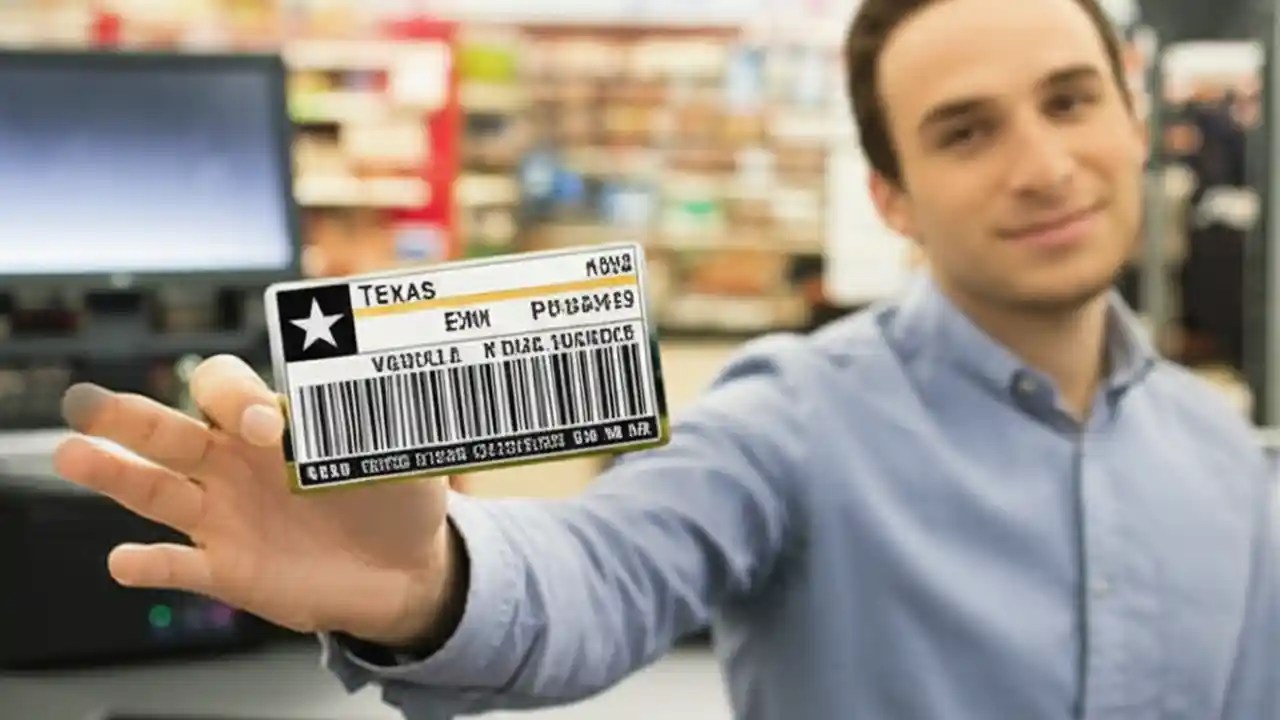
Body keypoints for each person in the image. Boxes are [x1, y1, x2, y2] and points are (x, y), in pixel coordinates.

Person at [50, 0, 1279, 717]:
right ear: (890, 196)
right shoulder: (796, 417)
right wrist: (428, 578)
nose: (1042, 166)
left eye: (1067, 103)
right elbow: (603, 564)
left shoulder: (1231, 465)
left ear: (1129, 115)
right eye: (963, 132)